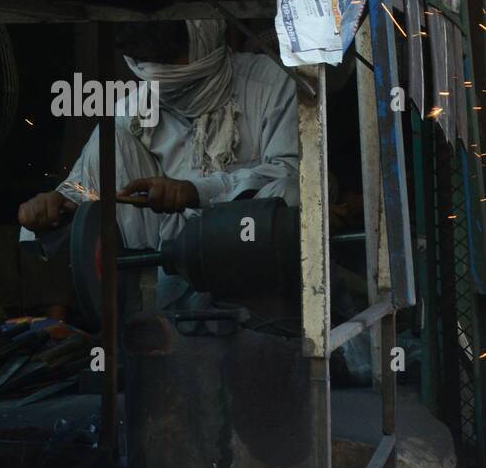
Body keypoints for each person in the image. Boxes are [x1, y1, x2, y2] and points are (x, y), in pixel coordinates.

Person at [17, 20, 299, 307]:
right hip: (173, 267)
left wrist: (195, 191)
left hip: (255, 258)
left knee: (291, 191)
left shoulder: (273, 83)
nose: (159, 72)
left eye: (168, 59)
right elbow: (83, 190)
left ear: (203, 34)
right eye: (149, 62)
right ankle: (150, 307)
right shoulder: (130, 113)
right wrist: (55, 208)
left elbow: (290, 174)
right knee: (109, 140)